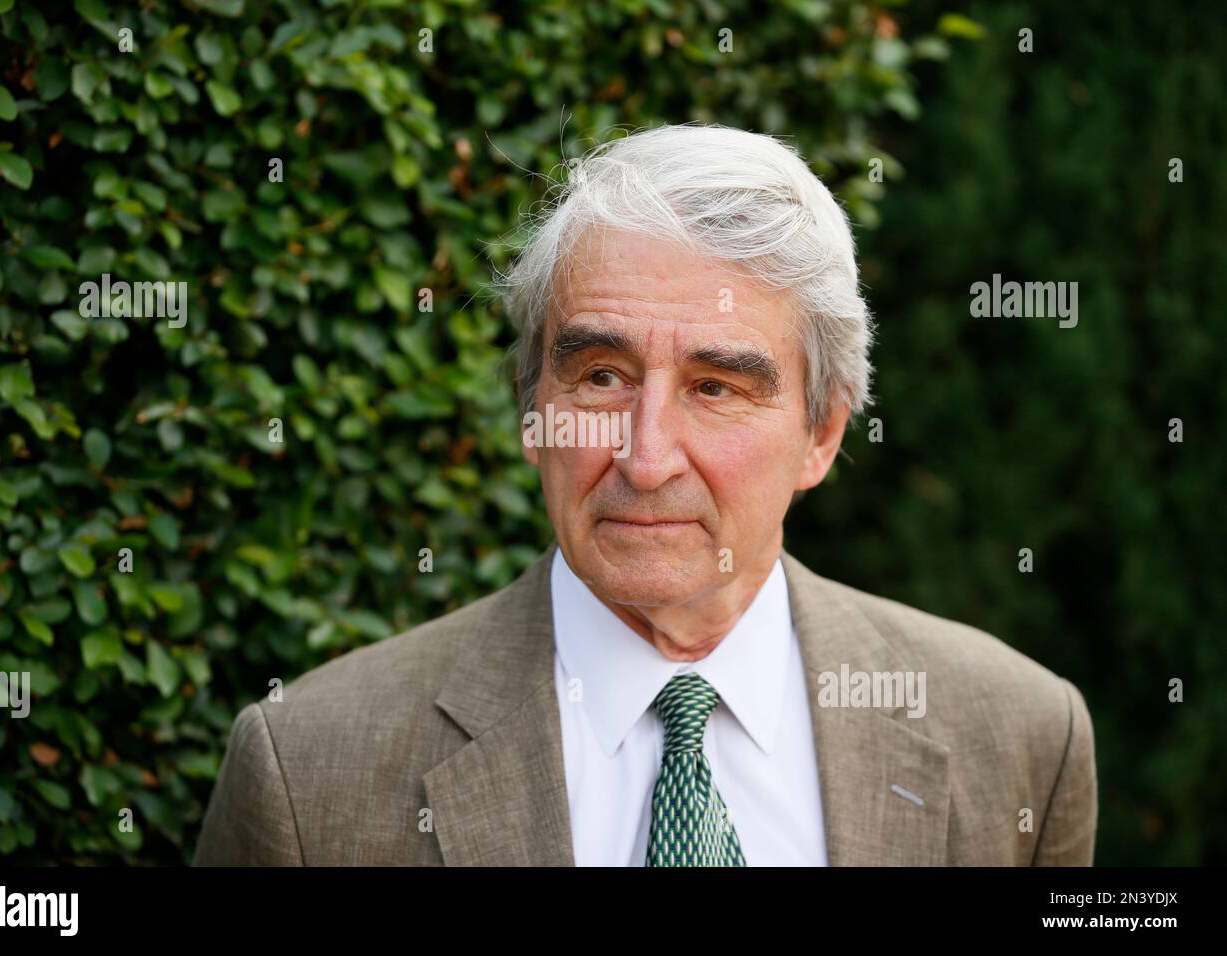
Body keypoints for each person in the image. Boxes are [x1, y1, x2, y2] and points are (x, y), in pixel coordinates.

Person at [193, 124, 1097, 866]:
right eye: (598, 376)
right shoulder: (308, 773)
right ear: (532, 407)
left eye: (716, 388)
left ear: (822, 433)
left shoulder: (1020, 737)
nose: (646, 455)